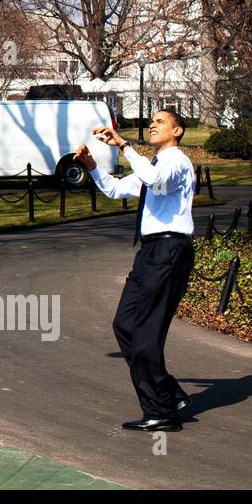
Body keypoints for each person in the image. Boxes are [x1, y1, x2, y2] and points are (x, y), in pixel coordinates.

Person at [74, 108, 197, 432]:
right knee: (125, 324)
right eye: (152, 121)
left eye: (161, 122)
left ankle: (162, 412)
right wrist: (92, 168)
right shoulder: (153, 165)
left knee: (145, 333)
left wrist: (123, 145)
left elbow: (155, 180)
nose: (153, 125)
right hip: (150, 253)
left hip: (169, 251)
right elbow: (116, 189)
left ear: (178, 131)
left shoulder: (175, 162)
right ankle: (168, 392)